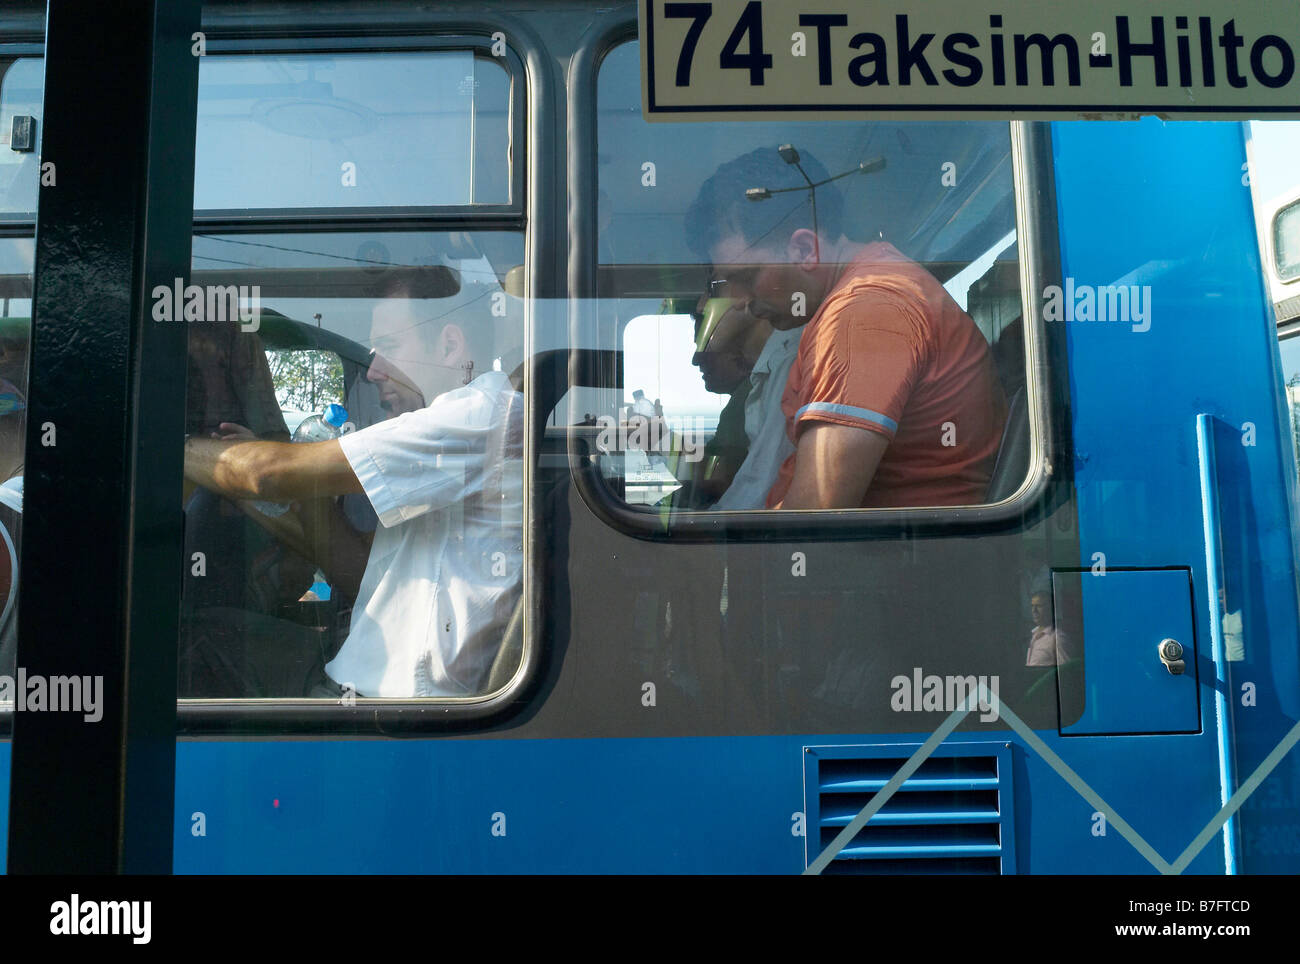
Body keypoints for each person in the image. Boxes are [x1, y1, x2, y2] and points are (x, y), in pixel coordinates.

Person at [183, 274, 523, 698]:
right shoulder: (457, 434)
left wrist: (170, 449)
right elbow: (360, 573)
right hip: (365, 685)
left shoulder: (477, 416)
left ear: (450, 345)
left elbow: (264, 473)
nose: (374, 369)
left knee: (194, 642)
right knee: (216, 629)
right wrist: (300, 488)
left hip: (396, 708)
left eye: (391, 348)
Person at [685, 147, 1006, 510]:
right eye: (724, 283)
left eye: (747, 276)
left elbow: (814, 517)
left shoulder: (862, 312)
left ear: (805, 249)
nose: (739, 299)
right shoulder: (865, 289)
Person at [1025, 590, 1072, 666]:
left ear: (1050, 608)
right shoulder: (1033, 635)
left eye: (1039, 606)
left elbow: (1066, 671)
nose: (1034, 610)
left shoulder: (1057, 638)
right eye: (1032, 606)